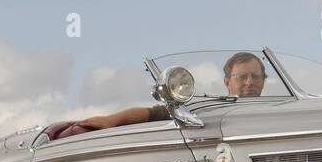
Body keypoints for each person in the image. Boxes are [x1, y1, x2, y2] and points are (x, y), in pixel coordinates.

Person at [76, 52, 268, 130]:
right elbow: (151, 114)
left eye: (255, 77)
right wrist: (112, 120)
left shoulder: (279, 109)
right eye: (242, 77)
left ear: (264, 81)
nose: (249, 82)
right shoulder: (208, 109)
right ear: (227, 82)